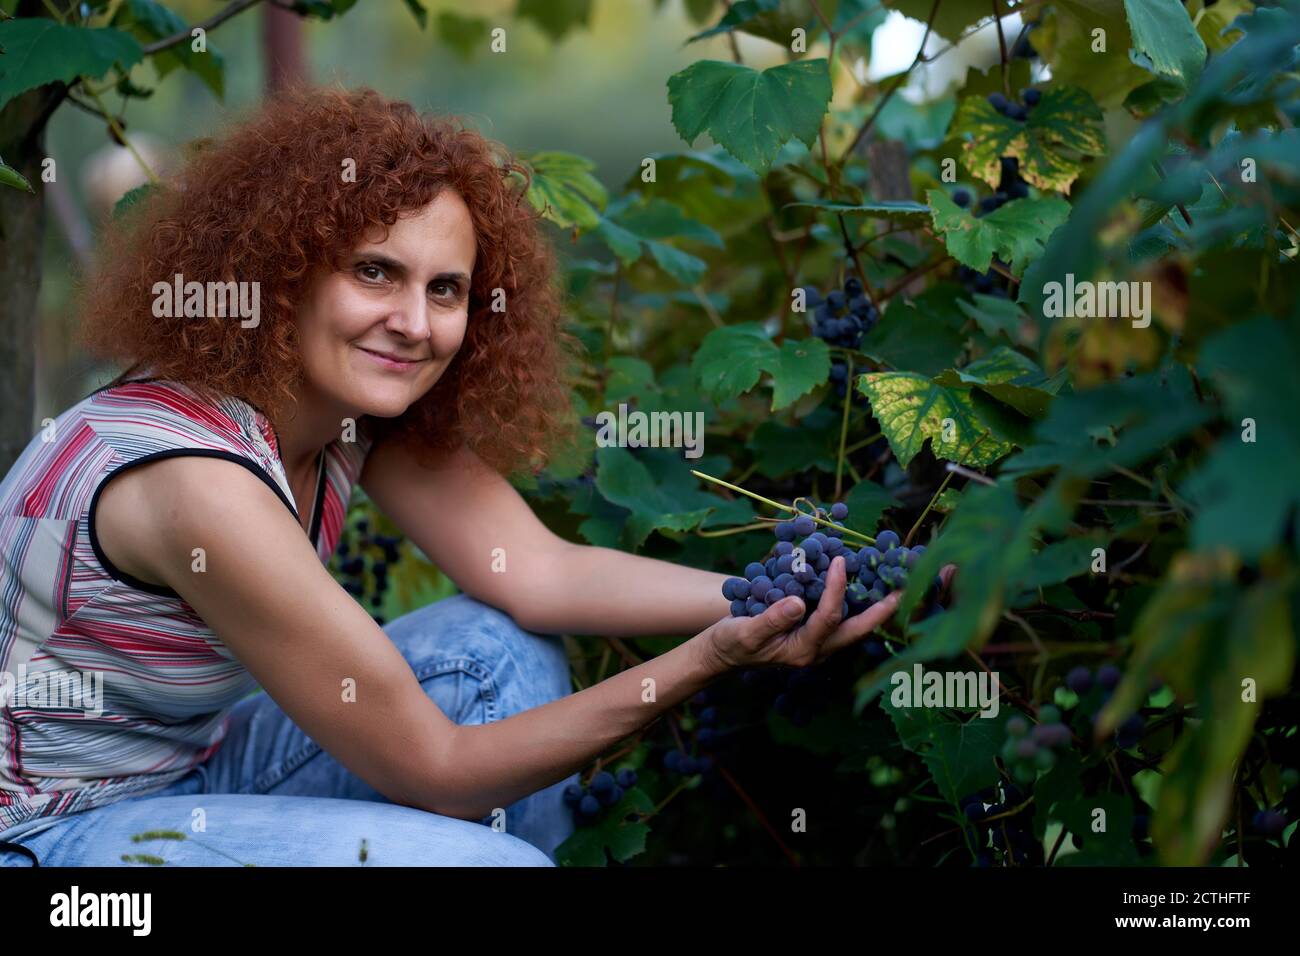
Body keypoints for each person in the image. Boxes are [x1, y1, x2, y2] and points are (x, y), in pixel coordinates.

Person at [0, 86, 909, 867]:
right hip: (45, 837)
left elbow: (541, 574)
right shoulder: (194, 481)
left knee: (496, 645)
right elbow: (434, 767)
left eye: (446, 290)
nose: (414, 322)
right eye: (374, 273)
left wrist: (775, 596)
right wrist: (709, 660)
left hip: (188, 772)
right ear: (282, 275)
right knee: (487, 867)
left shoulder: (352, 416)